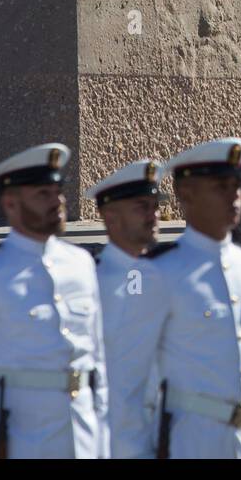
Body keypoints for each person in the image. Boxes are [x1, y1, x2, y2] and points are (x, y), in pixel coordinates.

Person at [0, 143, 109, 459]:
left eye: (58, 190)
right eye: (43, 194)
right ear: (11, 203)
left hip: (84, 436)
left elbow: (99, 360)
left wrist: (105, 439)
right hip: (21, 439)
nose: (57, 201)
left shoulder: (81, 263)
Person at [124, 138, 241, 459]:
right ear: (186, 194)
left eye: (237, 185)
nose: (234, 195)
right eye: (221, 186)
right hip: (191, 440)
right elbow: (131, 389)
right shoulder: (158, 273)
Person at [86, 159, 164, 459]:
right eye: (141, 207)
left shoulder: (171, 278)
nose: (153, 215)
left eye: (155, 205)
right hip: (109, 437)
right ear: (111, 216)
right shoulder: (89, 283)